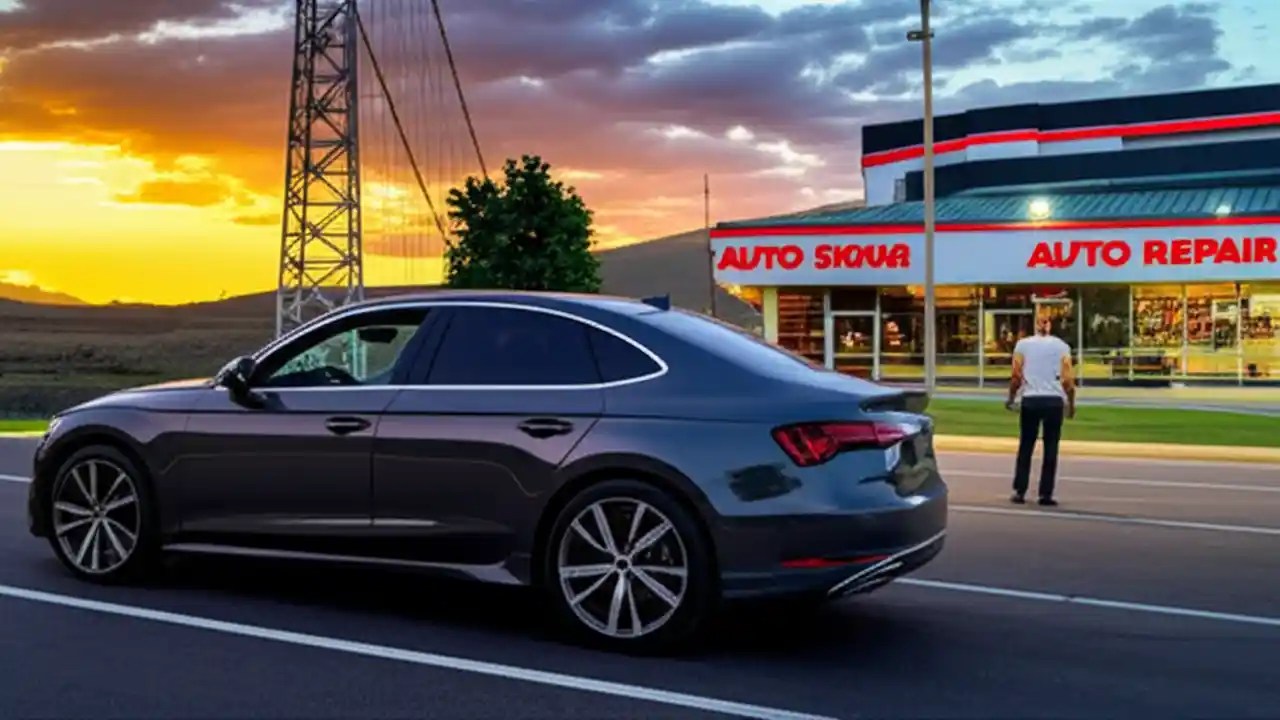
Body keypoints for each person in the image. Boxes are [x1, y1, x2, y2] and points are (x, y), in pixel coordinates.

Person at [1005, 311, 1075, 506]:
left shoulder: (1023, 345)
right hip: (1053, 400)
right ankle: (1046, 493)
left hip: (1031, 399)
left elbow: (1016, 376)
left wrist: (1011, 398)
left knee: (1026, 446)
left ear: (1035, 324)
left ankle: (1020, 490)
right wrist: (1071, 402)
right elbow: (1068, 379)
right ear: (1050, 325)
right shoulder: (1062, 347)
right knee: (1051, 448)